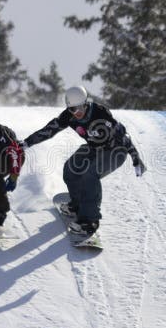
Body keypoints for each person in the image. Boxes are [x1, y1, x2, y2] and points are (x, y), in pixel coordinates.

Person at [21, 86, 146, 240]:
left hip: (115, 151)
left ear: (85, 103)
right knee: (70, 168)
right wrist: (27, 143)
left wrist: (135, 157)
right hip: (94, 149)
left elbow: (122, 134)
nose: (76, 112)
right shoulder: (69, 116)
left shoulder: (100, 113)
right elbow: (49, 130)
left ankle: (90, 221)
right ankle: (78, 204)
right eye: (72, 109)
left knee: (90, 175)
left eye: (79, 108)